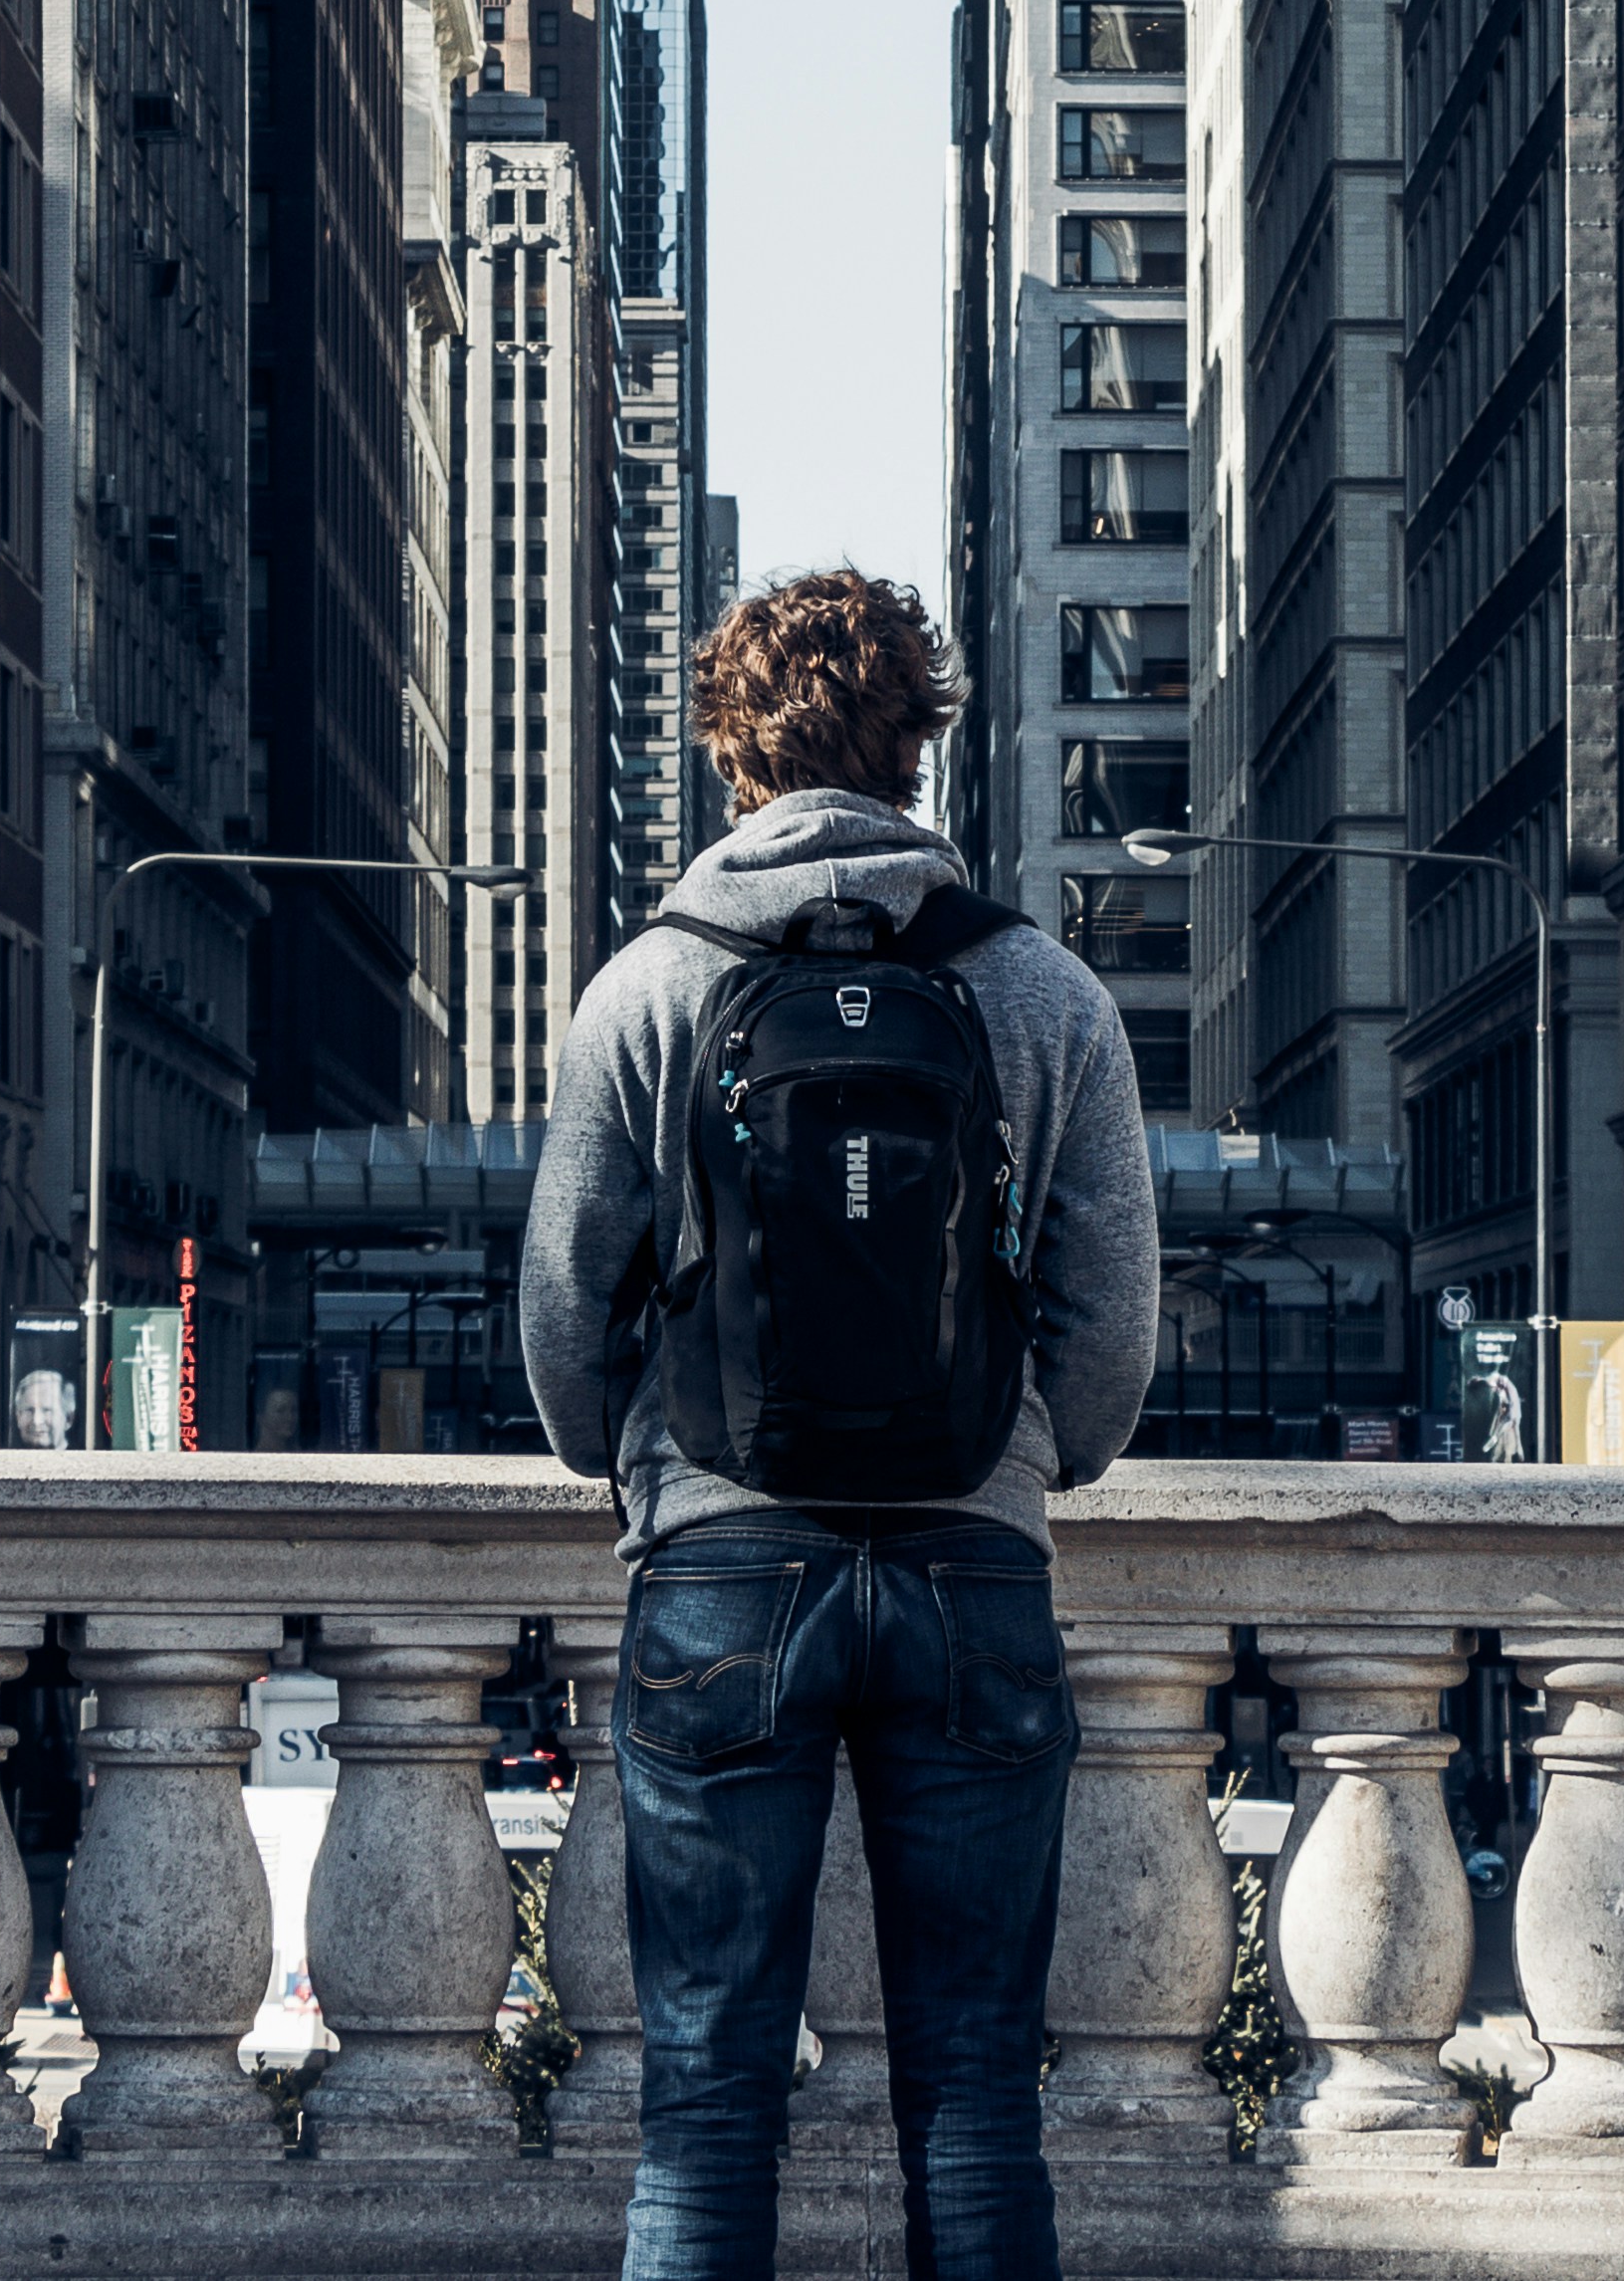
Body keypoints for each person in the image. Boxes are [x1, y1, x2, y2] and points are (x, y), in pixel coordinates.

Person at [522, 564, 1159, 2281]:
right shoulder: (1040, 991)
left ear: (733, 748)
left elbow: (562, 1317)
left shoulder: (646, 985)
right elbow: (1110, 1330)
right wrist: (1034, 1463)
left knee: (708, 2092)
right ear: (917, 744)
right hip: (972, 1565)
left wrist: (636, 1461)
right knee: (971, 2090)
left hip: (720, 1564)